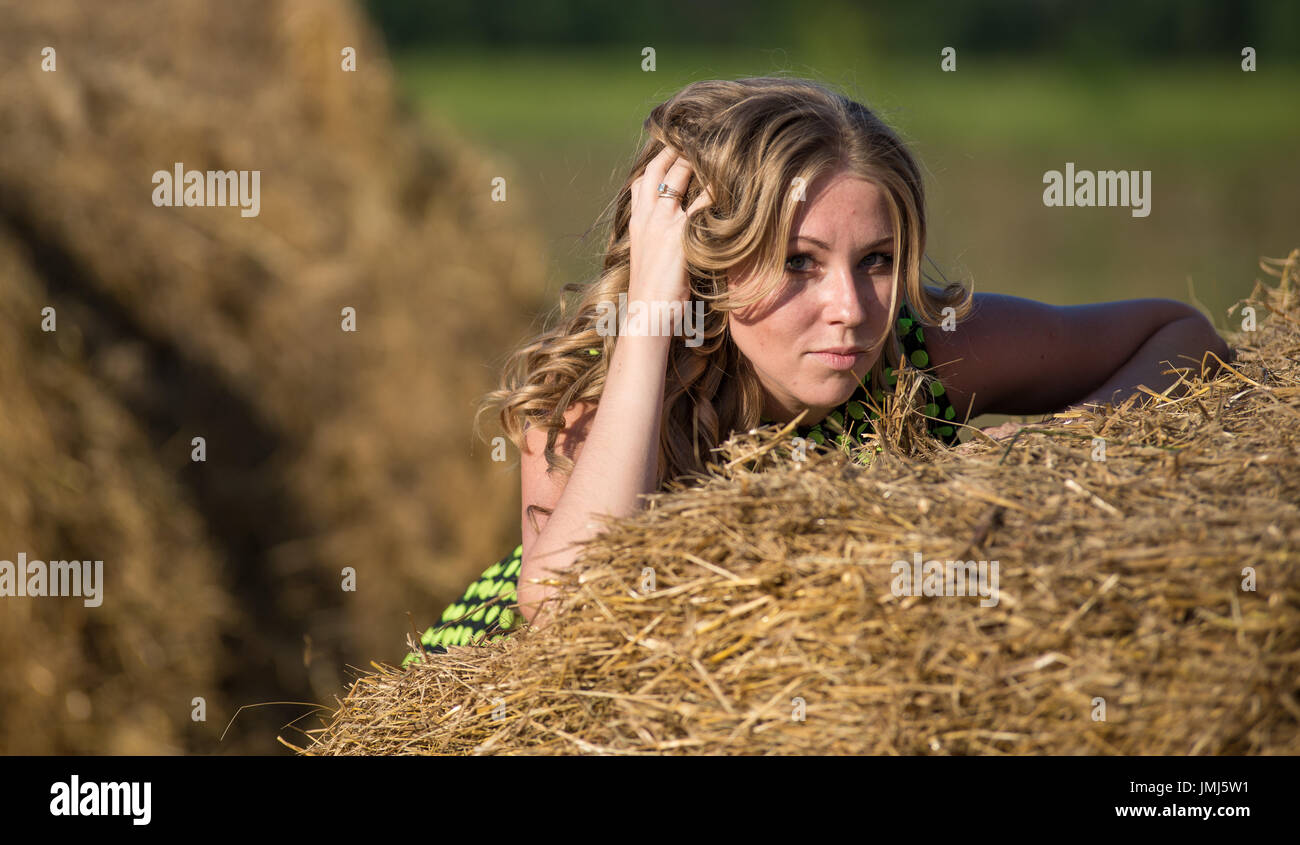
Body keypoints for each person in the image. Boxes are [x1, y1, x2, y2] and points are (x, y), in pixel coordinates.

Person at [403, 76, 1232, 665]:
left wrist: (1050, 458)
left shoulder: (915, 356)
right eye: (798, 262)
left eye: (875, 260)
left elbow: (1177, 332)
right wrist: (651, 322)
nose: (849, 308)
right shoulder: (591, 391)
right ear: (704, 262)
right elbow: (564, 621)